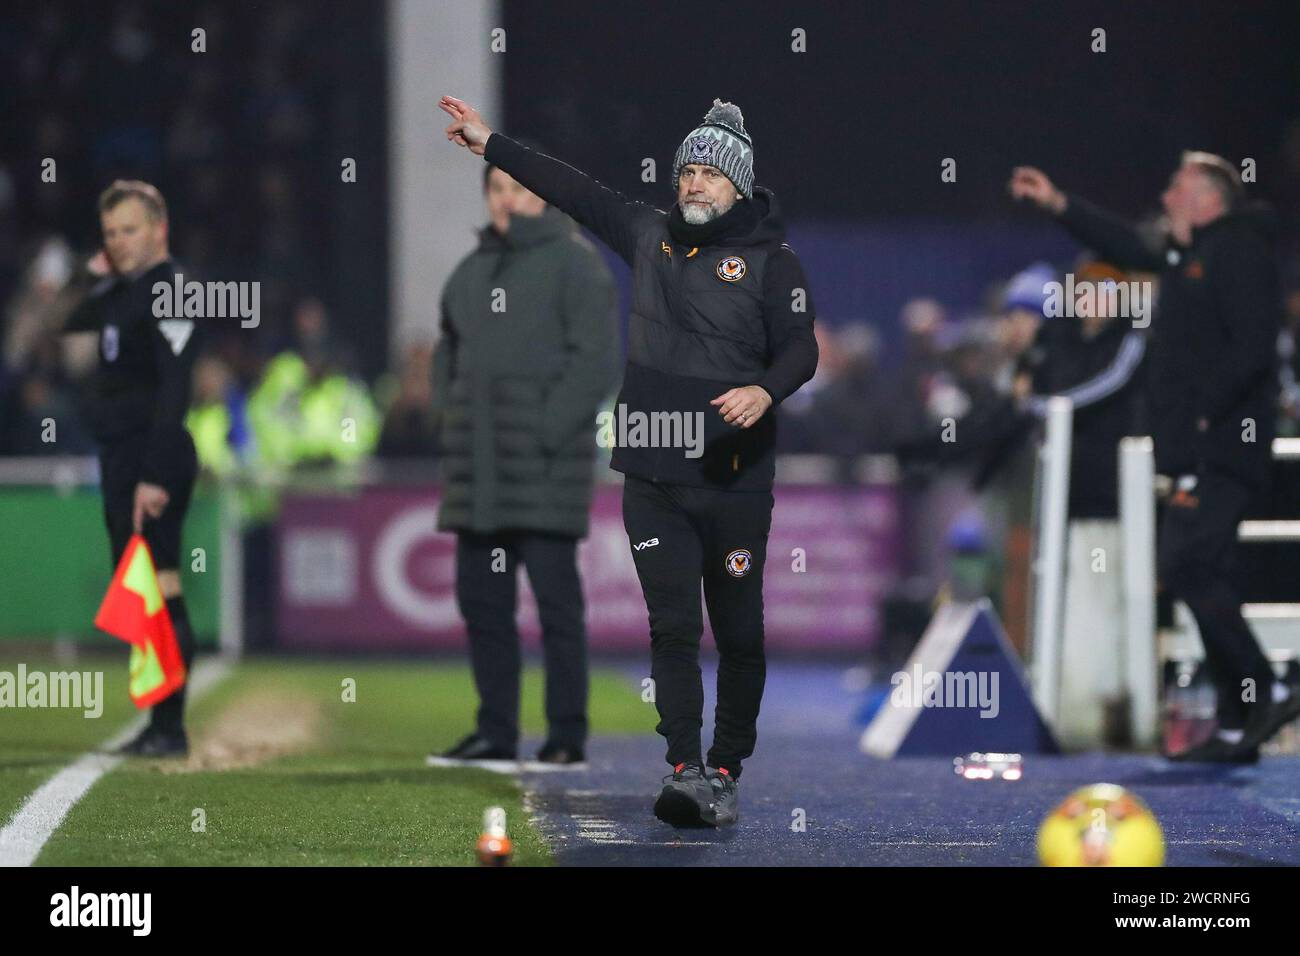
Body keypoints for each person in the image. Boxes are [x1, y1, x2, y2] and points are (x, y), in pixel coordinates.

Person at [439, 94, 818, 826]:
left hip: (736, 480)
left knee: (738, 631)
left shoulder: (777, 262)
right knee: (672, 627)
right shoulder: (648, 234)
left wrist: (766, 392)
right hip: (652, 475)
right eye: (687, 172)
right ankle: (685, 768)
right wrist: (491, 142)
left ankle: (728, 768)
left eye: (710, 173)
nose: (694, 184)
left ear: (738, 185)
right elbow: (571, 188)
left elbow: (802, 349)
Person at [1011, 153, 1300, 761]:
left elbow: (1253, 346)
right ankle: (1234, 718)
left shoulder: (1239, 251)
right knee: (1205, 567)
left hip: (1224, 444)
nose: (1165, 196)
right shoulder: (1185, 255)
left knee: (1187, 562)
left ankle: (1268, 684)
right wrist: (1060, 203)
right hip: (1201, 446)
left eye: (1176, 186)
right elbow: (1124, 242)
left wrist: (1205, 412)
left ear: (1208, 199)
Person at [426, 144, 620, 772]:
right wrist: (448, 415)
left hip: (544, 472)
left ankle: (566, 736)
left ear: (544, 192)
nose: (506, 200)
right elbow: (444, 356)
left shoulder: (576, 265)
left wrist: (542, 432)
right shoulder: (470, 270)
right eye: (496, 189)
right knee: (483, 607)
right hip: (478, 475)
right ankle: (496, 733)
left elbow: (595, 363)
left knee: (557, 608)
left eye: (518, 187)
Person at [60, 180, 201, 757]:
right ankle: (157, 721)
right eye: (111, 232)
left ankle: (170, 728)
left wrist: (154, 472)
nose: (118, 241)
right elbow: (72, 329)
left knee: (161, 586)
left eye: (130, 229)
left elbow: (176, 385)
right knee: (141, 594)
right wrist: (95, 278)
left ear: (159, 229)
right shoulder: (122, 294)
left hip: (152, 457)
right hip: (120, 457)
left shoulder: (175, 289)